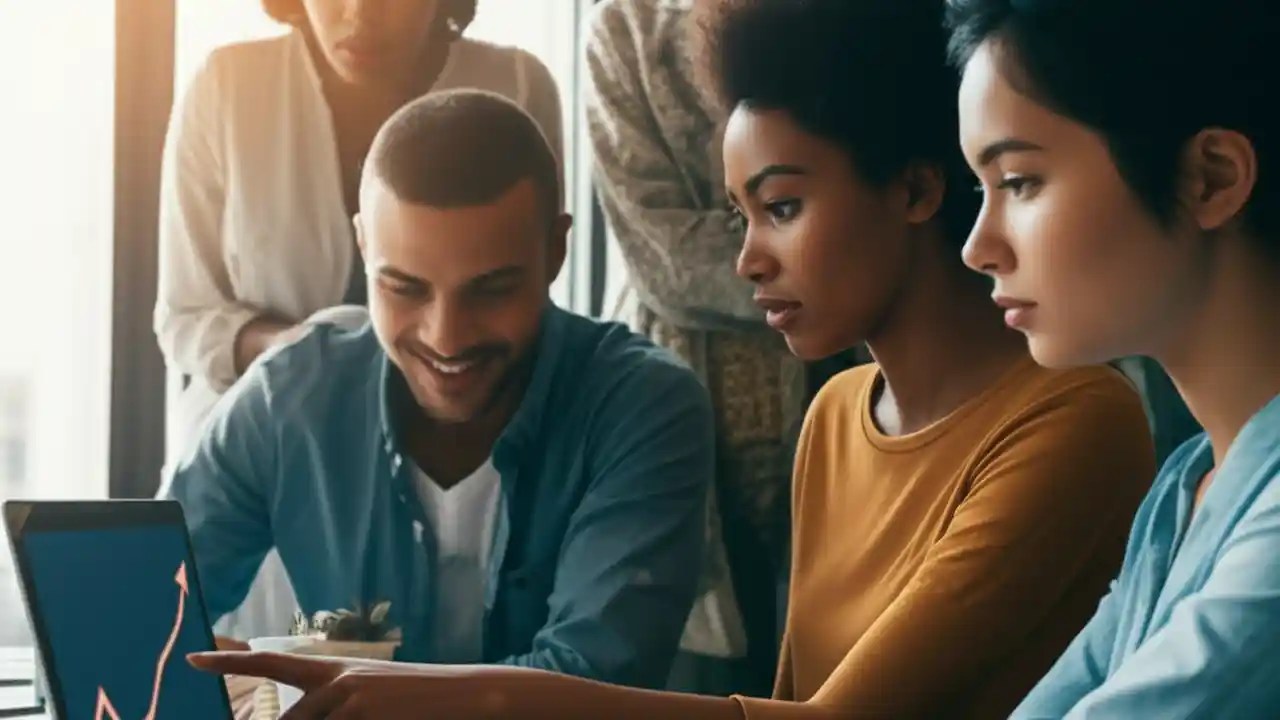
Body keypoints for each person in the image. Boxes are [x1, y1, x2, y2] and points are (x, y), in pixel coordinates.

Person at [190, 2, 1157, 717]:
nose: (744, 260)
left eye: (781, 207)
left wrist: (405, 695)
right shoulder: (838, 417)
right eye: (741, 215)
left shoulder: (1074, 418)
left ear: (913, 188)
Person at [166, 89, 714, 692]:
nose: (446, 337)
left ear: (555, 250)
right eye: (404, 288)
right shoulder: (289, 398)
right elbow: (142, 604)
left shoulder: (643, 408)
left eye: (491, 289)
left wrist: (334, 693)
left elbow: (590, 687)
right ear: (364, 247)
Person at [155, 0, 562, 645]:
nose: (359, 14)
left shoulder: (515, 85)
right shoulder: (227, 87)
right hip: (271, 466)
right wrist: (318, 362)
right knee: (248, 681)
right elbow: (186, 317)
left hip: (463, 461)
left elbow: (527, 282)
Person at [948, 0, 1280, 716]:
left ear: (1212, 179)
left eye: (1019, 182)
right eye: (983, 189)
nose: (978, 246)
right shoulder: (1181, 492)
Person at [585, 0, 816, 695]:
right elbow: (662, 253)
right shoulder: (624, 28)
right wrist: (814, 257)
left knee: (828, 637)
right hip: (677, 388)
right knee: (687, 661)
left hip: (836, 372)